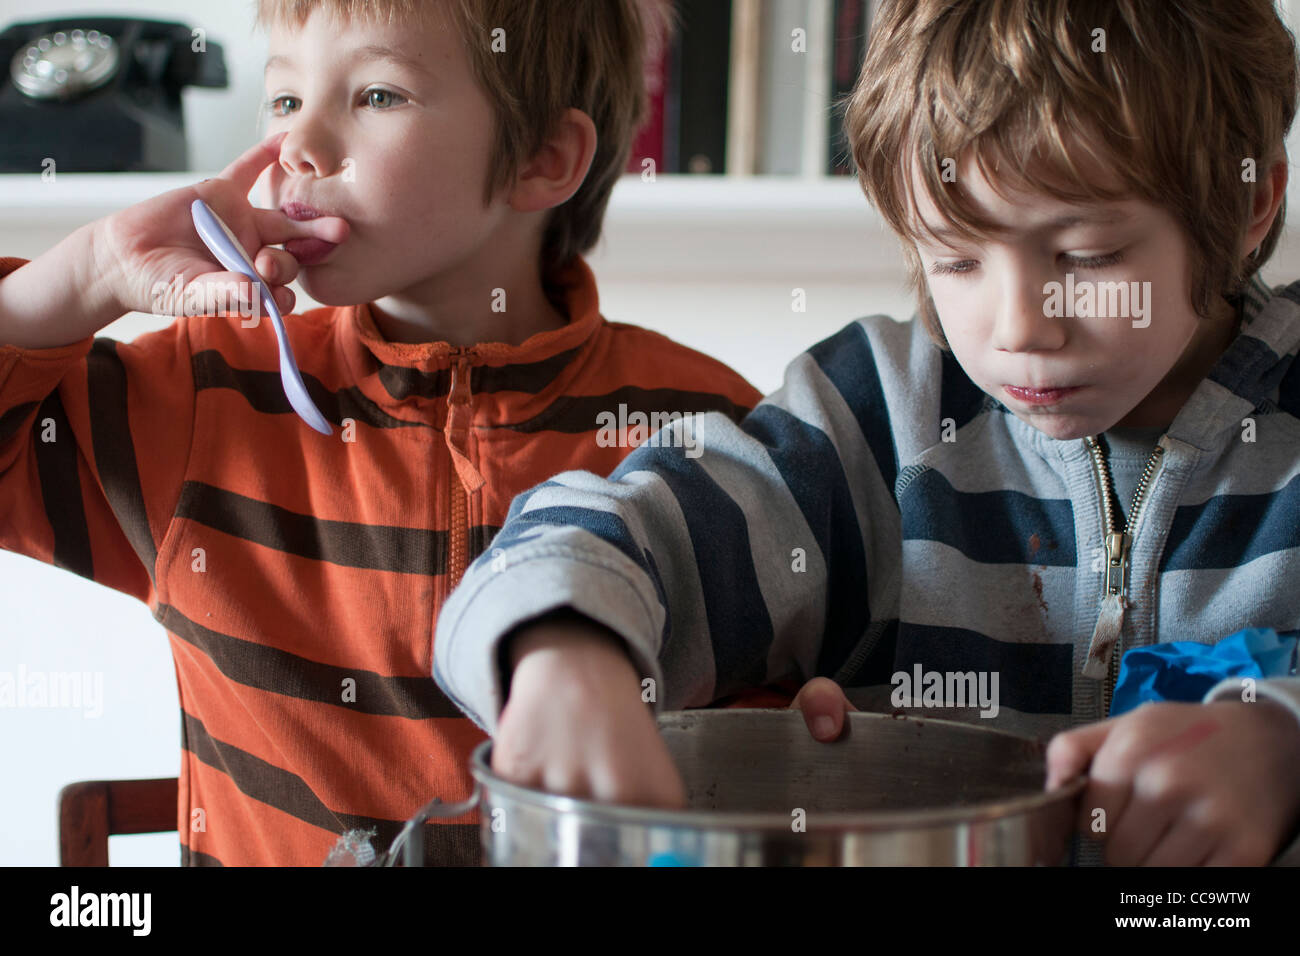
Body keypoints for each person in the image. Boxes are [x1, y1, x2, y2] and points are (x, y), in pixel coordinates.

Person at [434, 0, 1300, 865]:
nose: (1020, 327)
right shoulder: (875, 421)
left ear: (1249, 202)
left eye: (1086, 258)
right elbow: (618, 531)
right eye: (957, 259)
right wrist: (561, 643)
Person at [0, 0, 760, 865]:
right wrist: (89, 273)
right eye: (285, 100)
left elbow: (775, 739)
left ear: (544, 158)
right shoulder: (206, 398)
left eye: (376, 95)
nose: (300, 147)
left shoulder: (707, 429)